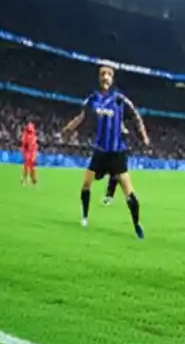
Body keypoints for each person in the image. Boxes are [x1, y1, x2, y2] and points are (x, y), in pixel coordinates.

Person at [60, 65, 150, 238]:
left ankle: (137, 225)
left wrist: (143, 136)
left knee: (129, 191)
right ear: (99, 77)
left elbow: (136, 116)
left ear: (113, 78)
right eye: (103, 74)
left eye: (109, 74)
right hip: (100, 151)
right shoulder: (93, 99)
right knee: (86, 184)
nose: (105, 76)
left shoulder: (120, 99)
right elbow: (81, 116)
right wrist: (68, 129)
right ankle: (84, 216)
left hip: (117, 153)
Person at [20, 122, 37, 187]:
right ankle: (24, 179)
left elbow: (34, 146)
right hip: (27, 152)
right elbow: (24, 145)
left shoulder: (33, 135)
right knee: (26, 166)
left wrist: (34, 154)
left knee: (32, 166)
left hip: (31, 152)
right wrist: (24, 152)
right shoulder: (25, 136)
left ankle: (32, 179)